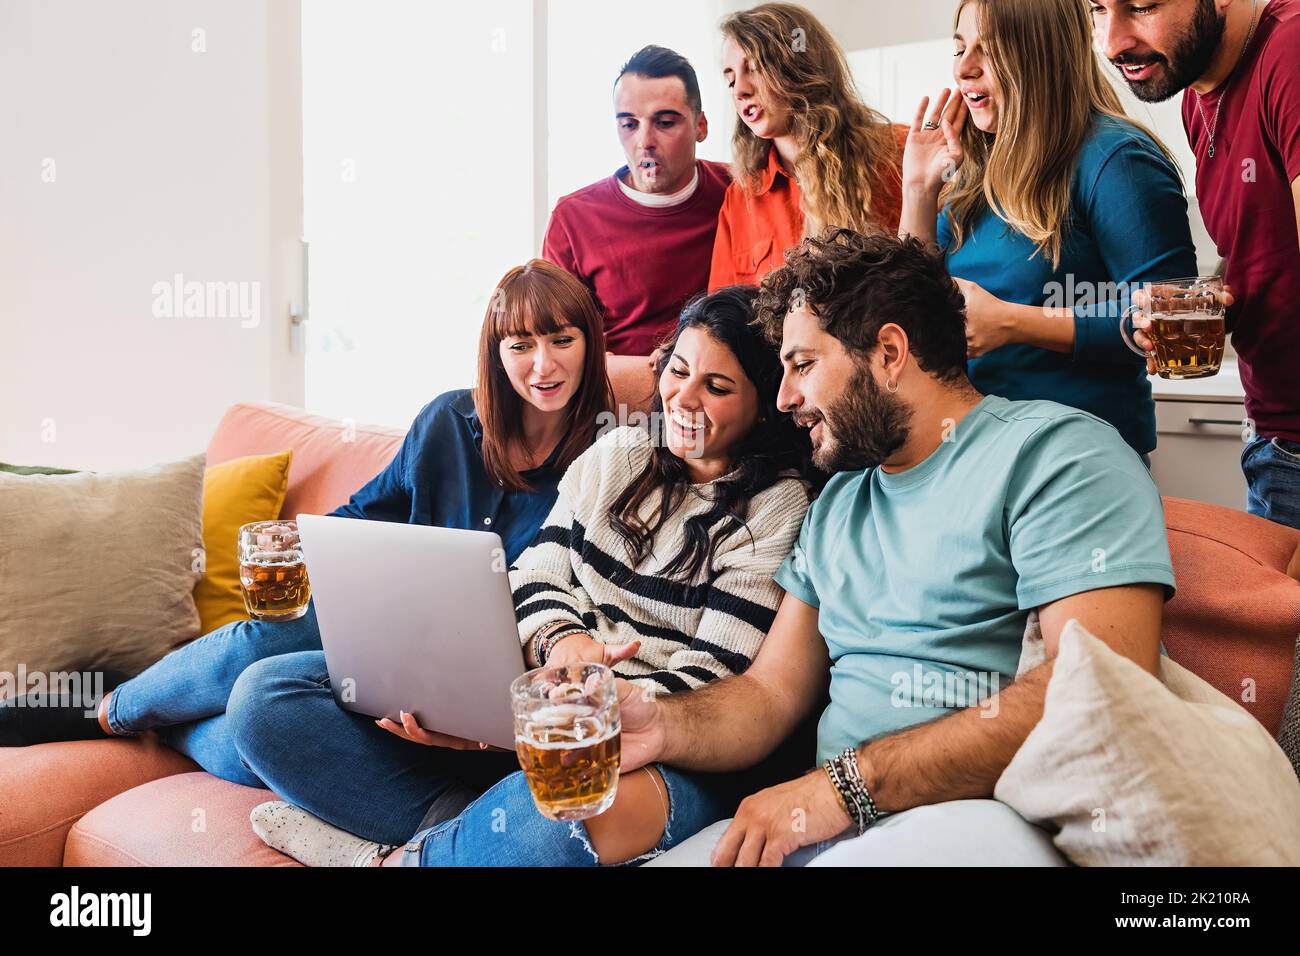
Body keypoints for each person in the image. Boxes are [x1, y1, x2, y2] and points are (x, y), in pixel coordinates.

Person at [613, 229, 1170, 867]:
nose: (784, 399)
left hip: (982, 818)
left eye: (802, 365)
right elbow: (769, 694)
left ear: (889, 352)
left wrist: (845, 787)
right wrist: (663, 724)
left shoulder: (1059, 455)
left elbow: (1100, 691)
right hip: (826, 824)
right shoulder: (840, 500)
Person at [239, 286, 816, 866]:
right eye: (680, 371)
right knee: (269, 697)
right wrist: (557, 648)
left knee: (567, 807)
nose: (682, 398)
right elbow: (530, 574)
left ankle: (389, 860)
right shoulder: (619, 454)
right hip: (539, 695)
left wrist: (572, 712)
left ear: (764, 405)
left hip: (658, 741)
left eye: (716, 388)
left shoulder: (776, 508)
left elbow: (715, 678)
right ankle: (463, 830)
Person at [0, 259, 613, 788]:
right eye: (521, 345)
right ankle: (114, 710)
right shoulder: (448, 422)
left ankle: (156, 717)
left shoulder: (609, 462)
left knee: (258, 711)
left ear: (589, 342)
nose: (542, 365)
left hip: (491, 688)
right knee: (269, 636)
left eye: (561, 340)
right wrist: (307, 545)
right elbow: (354, 520)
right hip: (393, 634)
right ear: (495, 352)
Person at [898, 0, 1198, 460]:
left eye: (990, 50)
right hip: (976, 452)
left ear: (1041, 54)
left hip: (1077, 462)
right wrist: (918, 189)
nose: (966, 69)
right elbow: (909, 304)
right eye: (959, 50)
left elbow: (1175, 323)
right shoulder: (977, 170)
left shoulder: (1116, 160)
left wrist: (1014, 324)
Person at [1091, 0, 1300, 530]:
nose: (1113, 42)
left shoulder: (1291, 51)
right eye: (1098, 8)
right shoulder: (1195, 99)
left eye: (1141, 7)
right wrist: (1206, 300)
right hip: (1272, 433)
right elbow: (1257, 245)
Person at [542, 45, 731, 358]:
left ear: (701, 126)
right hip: (615, 390)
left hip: (716, 383)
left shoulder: (738, 193)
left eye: (665, 122)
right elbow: (556, 345)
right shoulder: (573, 217)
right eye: (629, 124)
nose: (645, 143)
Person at [708, 2, 908, 290]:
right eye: (731, 80)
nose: (740, 90)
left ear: (799, 66)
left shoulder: (896, 152)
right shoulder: (741, 197)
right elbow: (724, 313)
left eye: (754, 68)